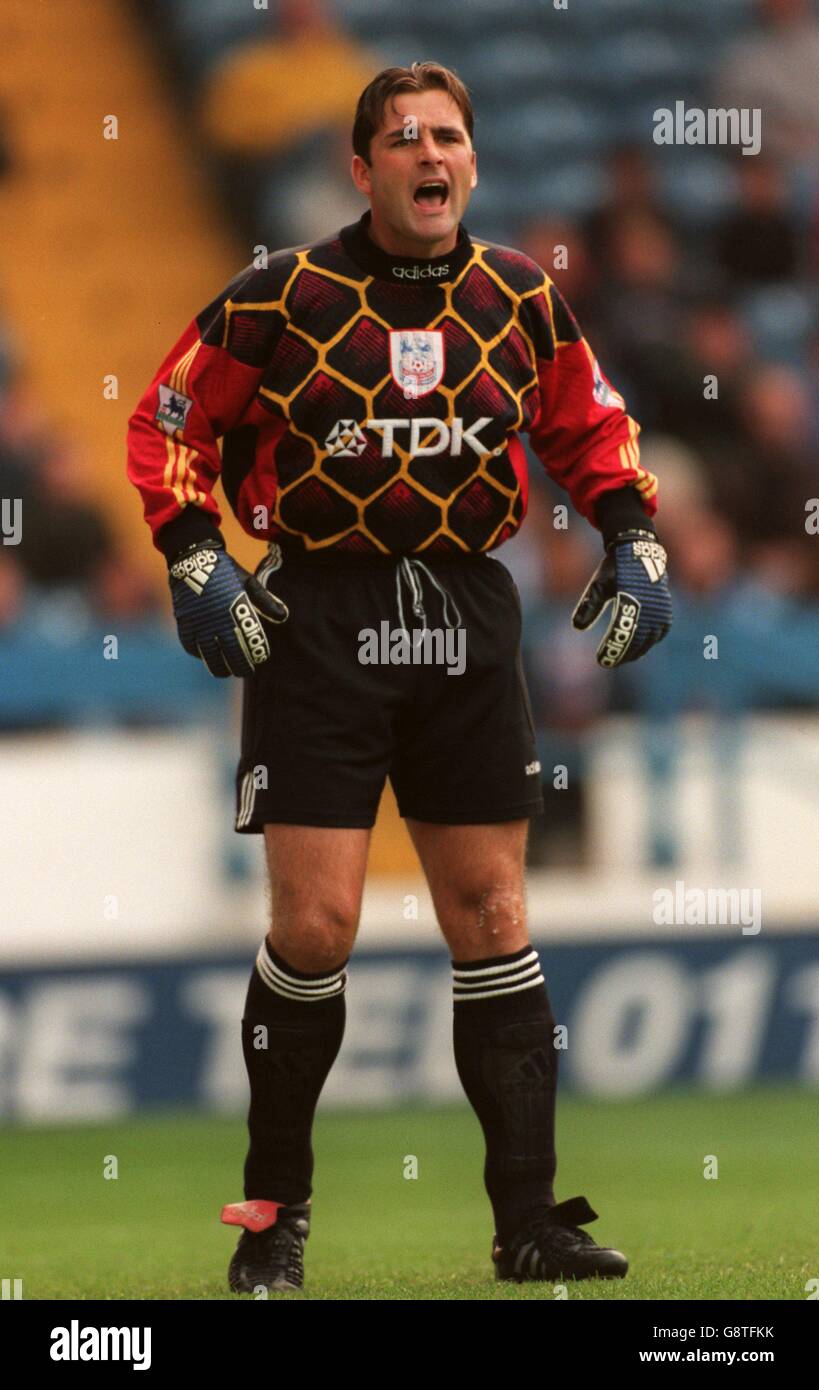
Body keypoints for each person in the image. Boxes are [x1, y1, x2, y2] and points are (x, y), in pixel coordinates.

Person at [126, 61, 672, 1292]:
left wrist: (633, 534)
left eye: (448, 137)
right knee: (314, 926)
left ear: (473, 163)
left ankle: (528, 1222)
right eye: (401, 137)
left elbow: (589, 426)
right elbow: (167, 420)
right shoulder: (284, 294)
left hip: (469, 612)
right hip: (318, 609)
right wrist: (192, 549)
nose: (428, 155)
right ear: (360, 167)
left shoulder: (523, 299)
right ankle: (273, 1220)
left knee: (491, 918)